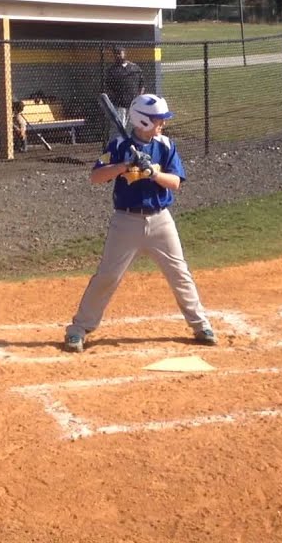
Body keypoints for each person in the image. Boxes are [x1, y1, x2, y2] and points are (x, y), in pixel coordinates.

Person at [63, 93, 217, 353]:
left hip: (160, 221)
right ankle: (78, 329)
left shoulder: (166, 145)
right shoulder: (119, 146)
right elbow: (96, 177)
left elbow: (176, 182)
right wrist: (124, 166)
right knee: (108, 276)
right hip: (126, 221)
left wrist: (153, 172)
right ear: (143, 121)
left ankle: (200, 325)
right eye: (158, 120)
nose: (162, 124)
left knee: (179, 273)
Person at [101, 46, 144, 139]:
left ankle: (130, 147)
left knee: (131, 128)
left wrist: (139, 99)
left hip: (133, 105)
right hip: (119, 105)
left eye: (119, 53)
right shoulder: (112, 70)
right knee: (118, 128)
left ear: (124, 53)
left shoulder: (134, 68)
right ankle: (115, 147)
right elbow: (108, 87)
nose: (117, 56)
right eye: (115, 54)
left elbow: (141, 85)